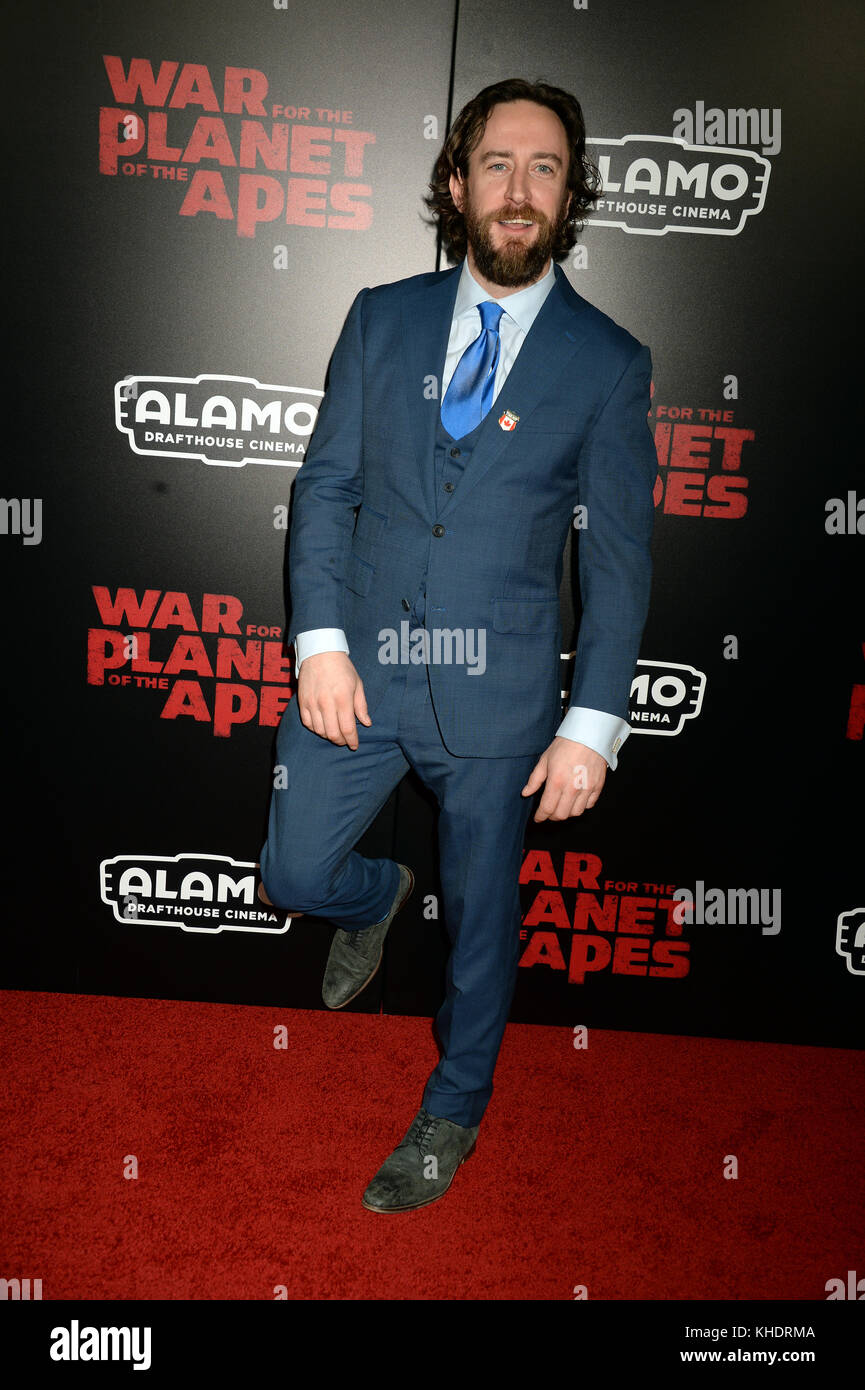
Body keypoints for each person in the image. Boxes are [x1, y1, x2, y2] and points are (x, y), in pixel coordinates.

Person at [259, 77, 657, 1213]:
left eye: (544, 167)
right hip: (360, 671)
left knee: (483, 926)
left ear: (570, 192)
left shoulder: (608, 362)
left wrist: (594, 723)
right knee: (293, 868)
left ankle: (453, 1111)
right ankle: (371, 893)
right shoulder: (381, 316)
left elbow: (620, 562)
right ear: (455, 183)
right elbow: (326, 483)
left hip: (501, 705)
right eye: (496, 164)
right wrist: (321, 638)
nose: (518, 189)